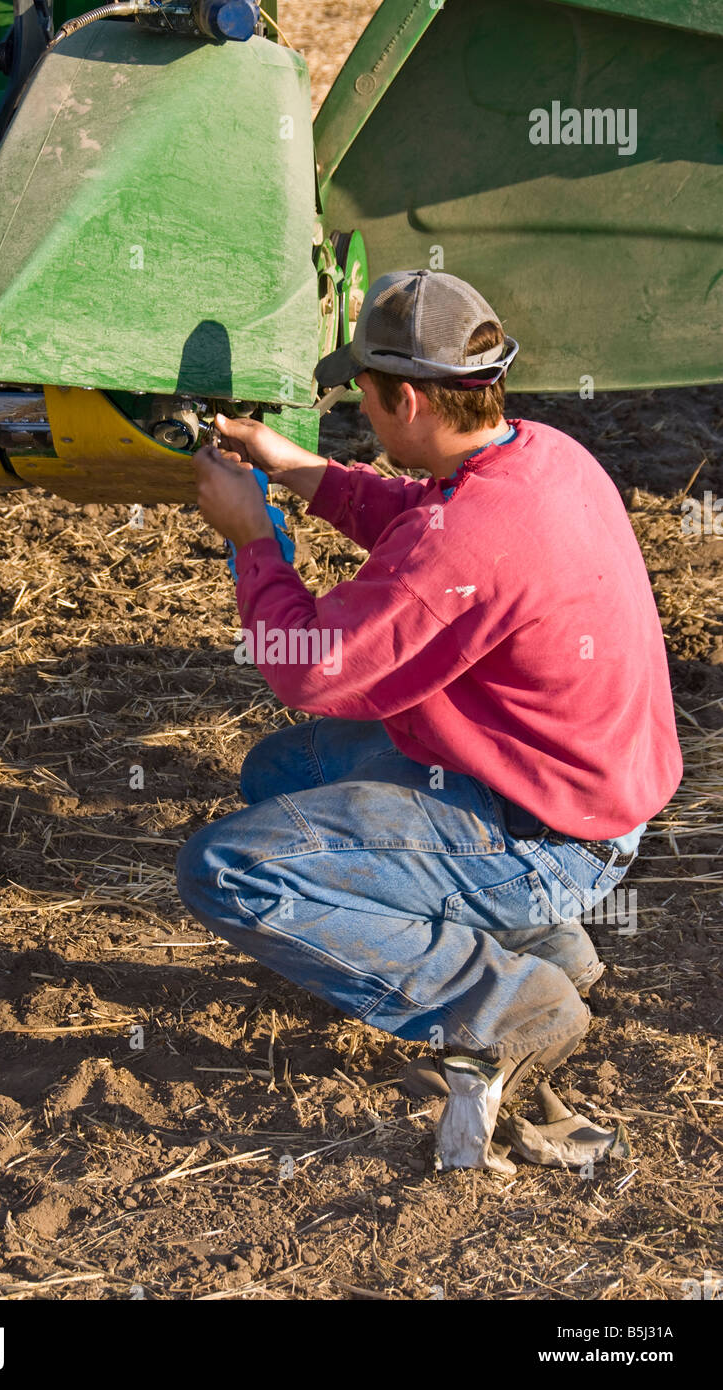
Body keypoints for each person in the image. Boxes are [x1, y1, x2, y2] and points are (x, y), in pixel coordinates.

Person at [176, 269, 682, 1101]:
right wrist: (297, 468)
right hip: (582, 790)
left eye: (364, 396)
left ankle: (503, 1000)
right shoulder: (546, 456)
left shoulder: (464, 547)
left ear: (408, 402)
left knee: (230, 870)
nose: (360, 411)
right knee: (280, 776)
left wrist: (252, 539)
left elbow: (308, 668)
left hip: (546, 838)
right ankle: (538, 939)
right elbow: (421, 514)